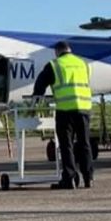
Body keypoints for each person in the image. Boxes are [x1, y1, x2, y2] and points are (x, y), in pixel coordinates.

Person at [33, 41, 93, 189]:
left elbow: (41, 82)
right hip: (84, 109)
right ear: (69, 50)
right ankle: (88, 178)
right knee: (85, 144)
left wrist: (36, 98)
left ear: (57, 52)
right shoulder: (83, 64)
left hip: (65, 110)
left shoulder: (55, 65)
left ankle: (70, 178)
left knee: (67, 146)